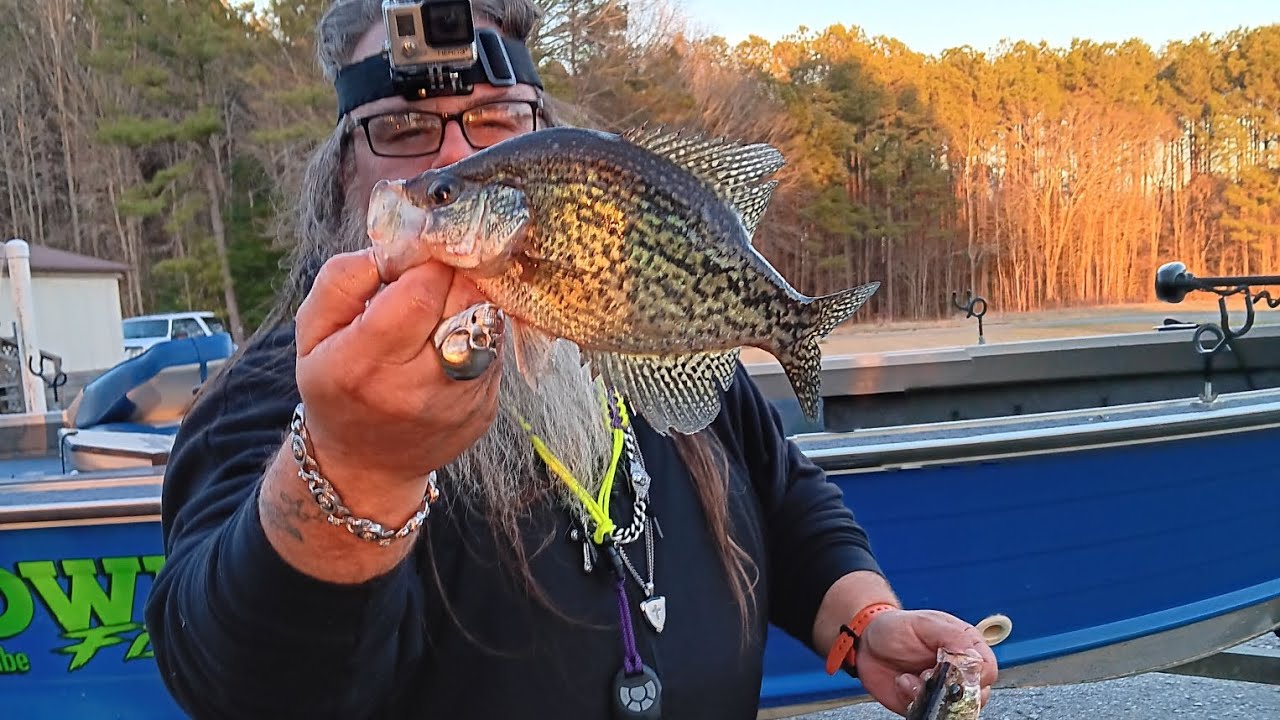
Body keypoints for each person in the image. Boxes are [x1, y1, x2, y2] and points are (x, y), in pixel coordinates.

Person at [142, 0, 999, 717]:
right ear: (344, 178)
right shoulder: (272, 399)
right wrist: (353, 468)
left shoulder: (645, 324)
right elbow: (232, 674)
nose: (461, 156)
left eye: (498, 120)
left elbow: (781, 495)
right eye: (401, 127)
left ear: (546, 140)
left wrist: (867, 622)